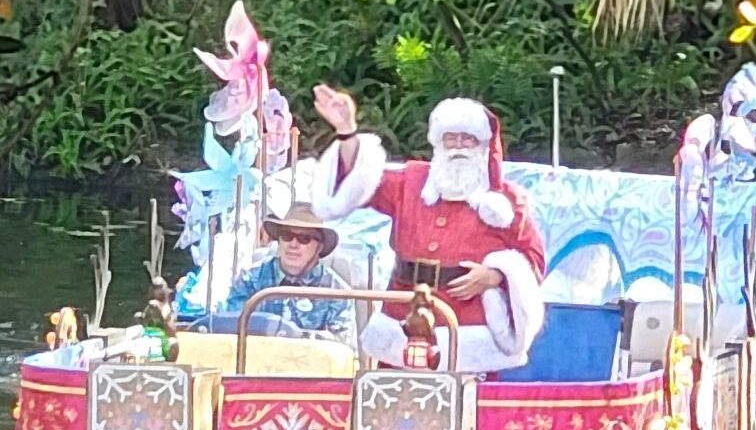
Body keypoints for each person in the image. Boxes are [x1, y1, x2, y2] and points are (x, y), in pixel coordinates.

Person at [305, 87, 547, 373]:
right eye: (450, 138)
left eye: (467, 139)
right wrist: (346, 131)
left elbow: (533, 260)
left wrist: (495, 275)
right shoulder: (411, 181)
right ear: (438, 144)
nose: (458, 146)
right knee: (392, 409)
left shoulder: (506, 199)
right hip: (402, 322)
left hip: (468, 332)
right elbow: (359, 183)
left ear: (482, 146)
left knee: (466, 413)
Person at [216, 205, 353, 343]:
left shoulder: (338, 293)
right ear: (279, 240)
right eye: (287, 236)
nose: (293, 244)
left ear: (320, 247)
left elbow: (341, 349)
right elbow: (230, 335)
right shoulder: (248, 280)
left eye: (304, 238)